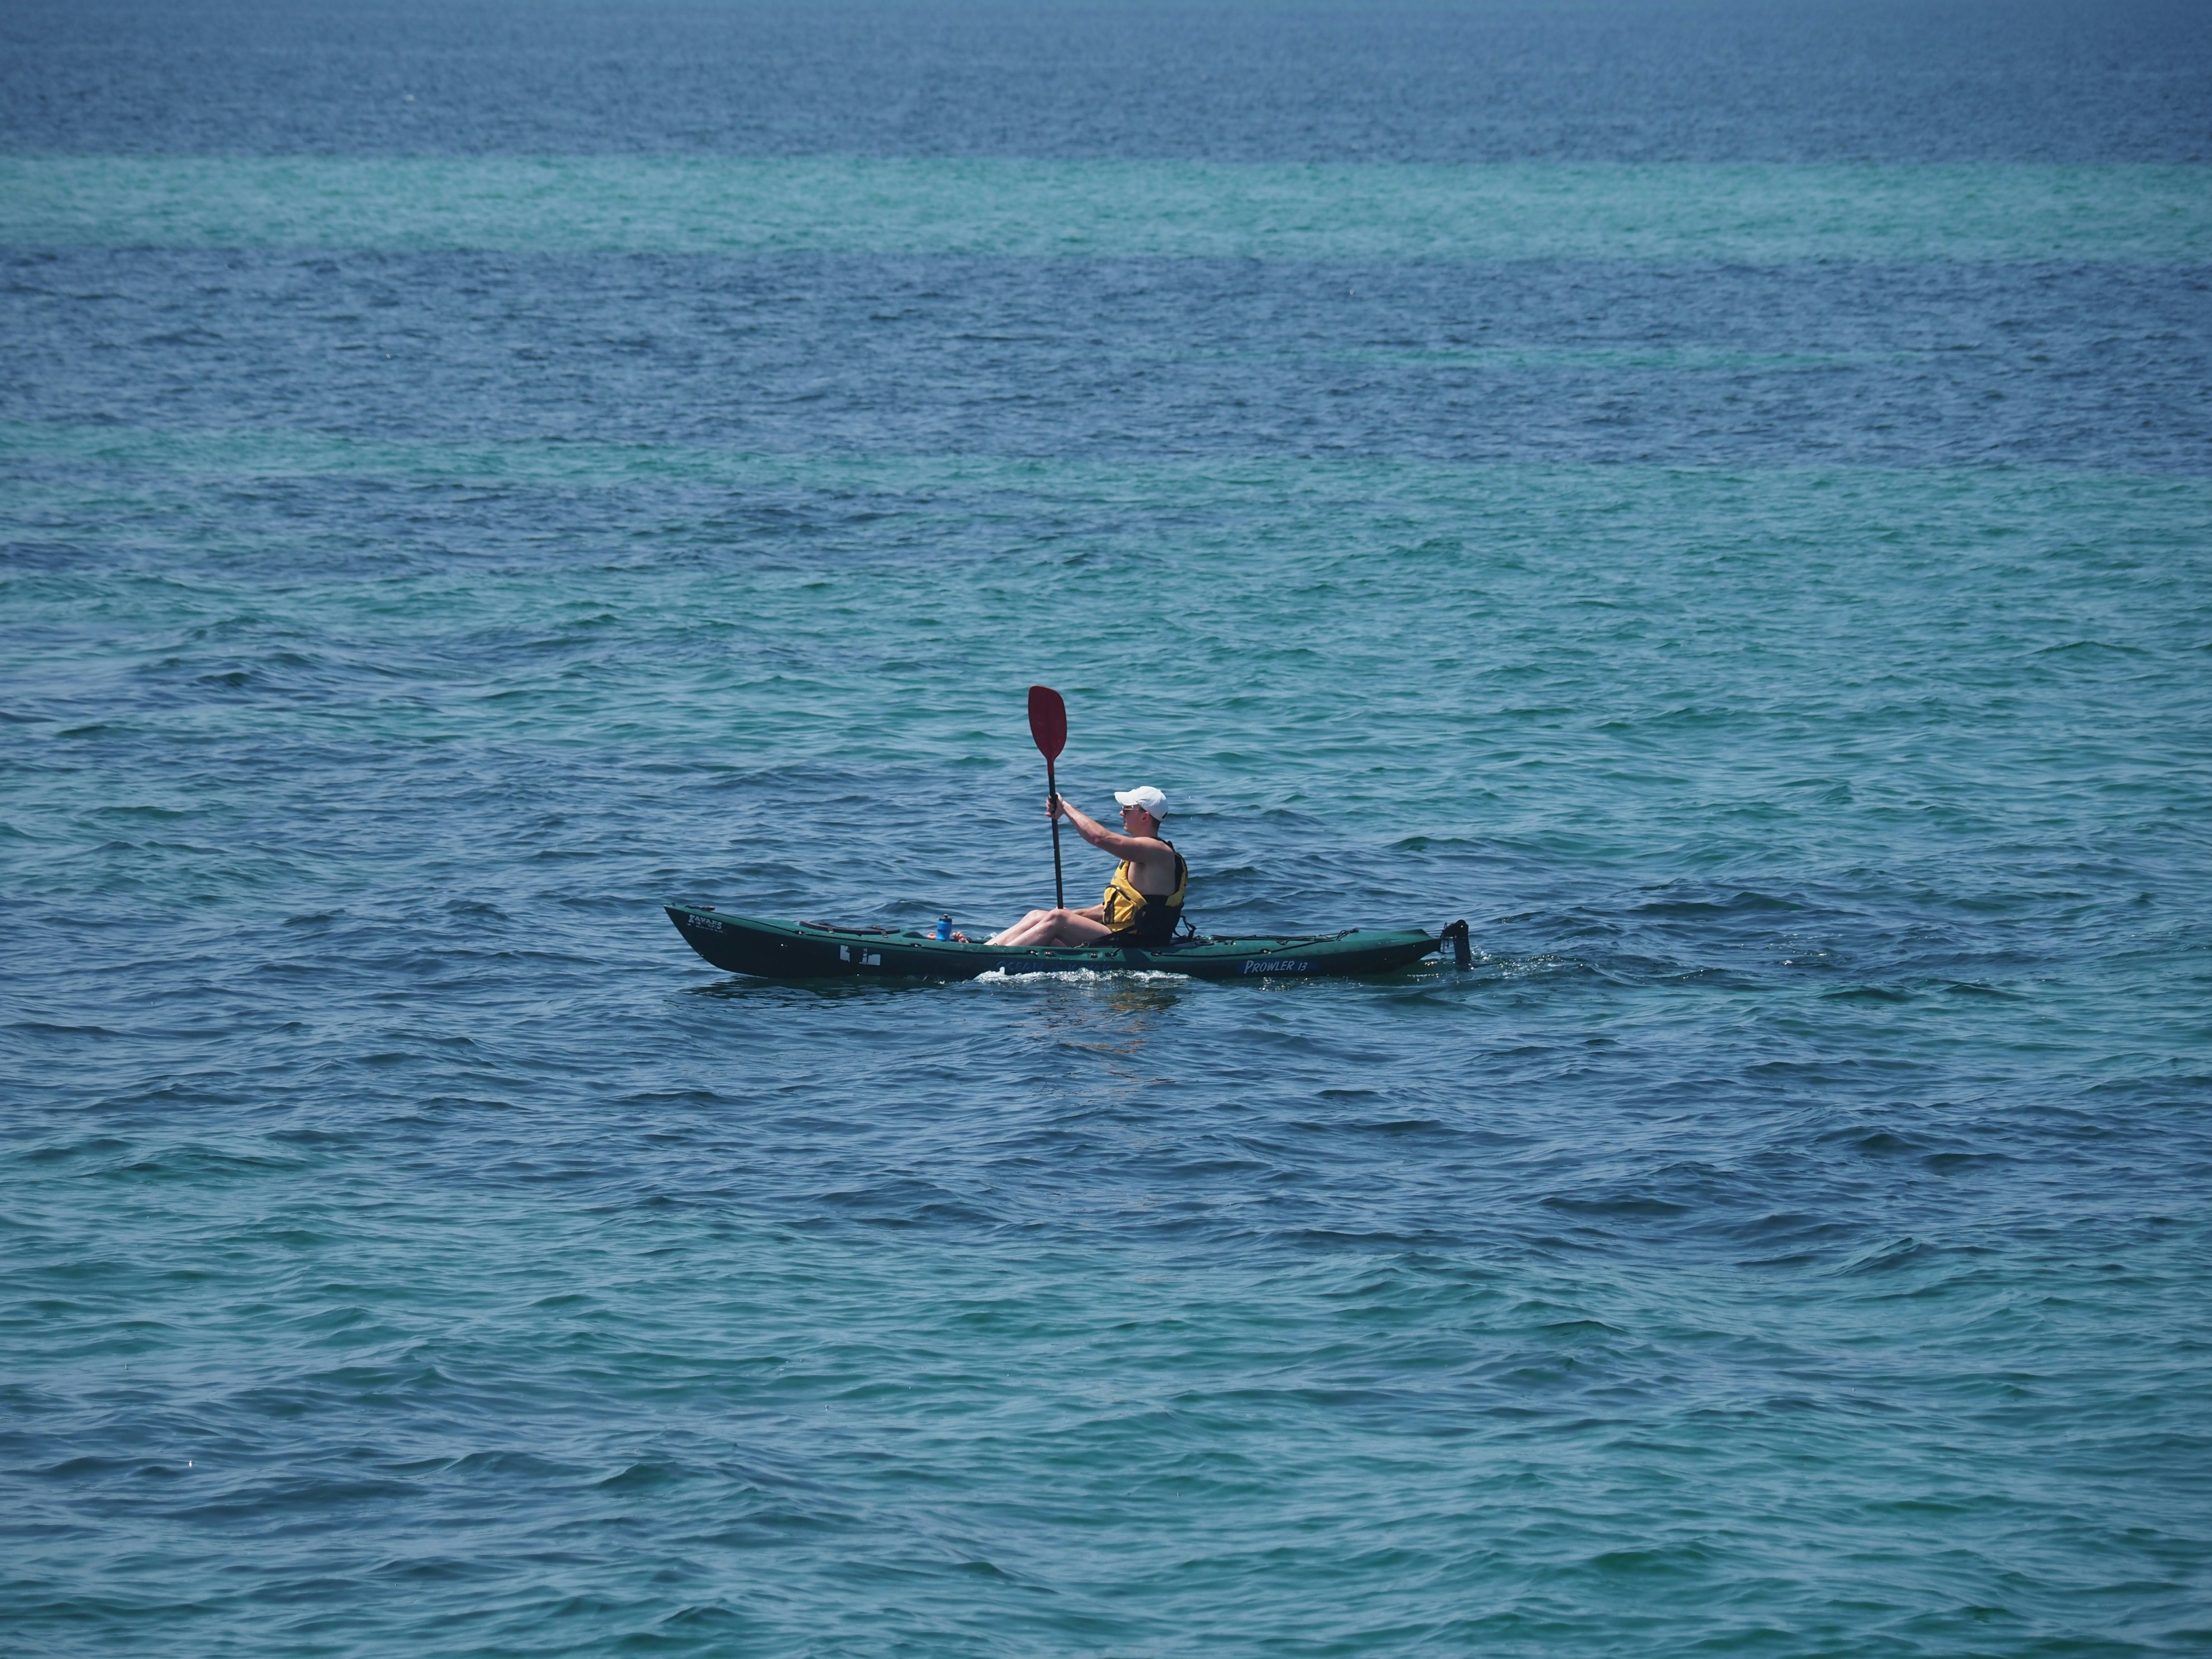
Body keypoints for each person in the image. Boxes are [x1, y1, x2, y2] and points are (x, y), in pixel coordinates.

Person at [986, 786, 1188, 947]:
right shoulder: (1137, 852)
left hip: (1138, 943)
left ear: (1145, 816)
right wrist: (1075, 915)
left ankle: (992, 960)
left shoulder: (1155, 850)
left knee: (1058, 919)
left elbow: (1100, 838)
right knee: (1039, 915)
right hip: (1123, 936)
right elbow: (1110, 910)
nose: (1121, 813)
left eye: (1127, 809)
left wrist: (1066, 808)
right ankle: (987, 949)